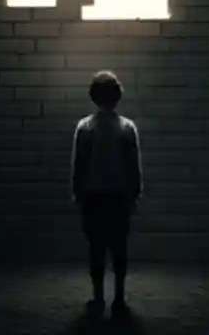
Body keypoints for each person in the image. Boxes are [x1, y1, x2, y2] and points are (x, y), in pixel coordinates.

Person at [71, 70, 143, 317]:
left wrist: (77, 193)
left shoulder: (85, 127)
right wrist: (135, 193)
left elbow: (79, 164)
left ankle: (99, 296)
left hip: (94, 196)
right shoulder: (126, 127)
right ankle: (119, 297)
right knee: (119, 247)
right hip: (119, 196)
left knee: (96, 248)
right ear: (117, 96)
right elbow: (133, 165)